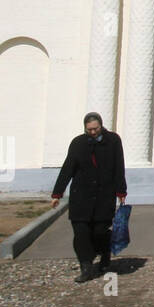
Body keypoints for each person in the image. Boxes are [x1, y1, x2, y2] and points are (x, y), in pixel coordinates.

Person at [51, 112, 126, 283]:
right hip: (81, 197)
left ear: (101, 125)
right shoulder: (78, 143)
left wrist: (121, 192)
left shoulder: (113, 141)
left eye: (95, 129)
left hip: (103, 196)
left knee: (100, 231)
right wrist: (57, 193)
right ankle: (86, 266)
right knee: (81, 233)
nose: (92, 132)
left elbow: (118, 167)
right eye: (89, 129)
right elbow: (68, 168)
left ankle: (104, 254)